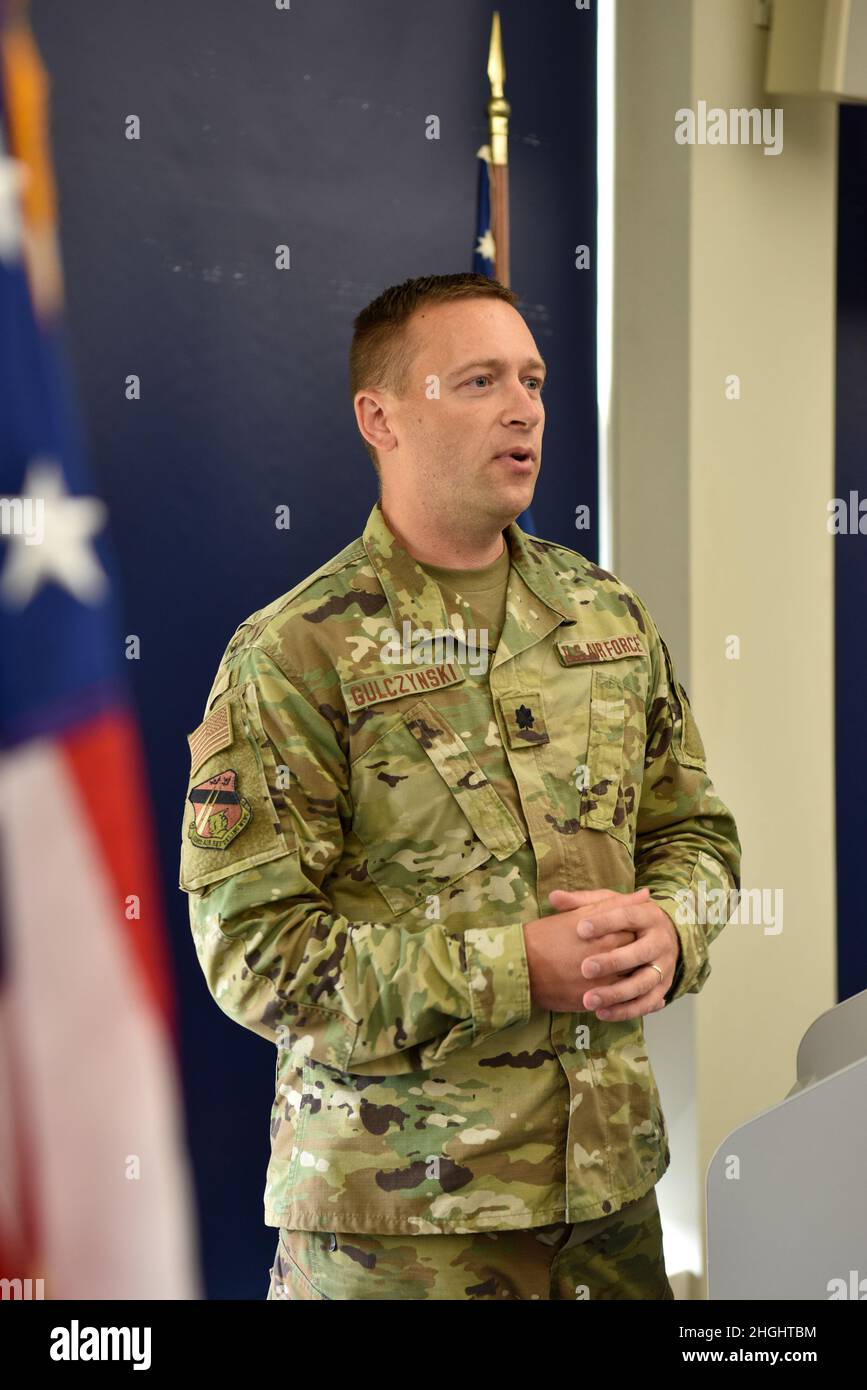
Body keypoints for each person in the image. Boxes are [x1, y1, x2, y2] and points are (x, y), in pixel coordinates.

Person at [179, 272, 741, 1300]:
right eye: (478, 380)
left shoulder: (606, 618)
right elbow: (258, 956)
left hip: (610, 1205)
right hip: (402, 1234)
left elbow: (695, 833)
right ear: (380, 417)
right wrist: (517, 967)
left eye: (531, 378)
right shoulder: (294, 654)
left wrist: (674, 925)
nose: (523, 406)